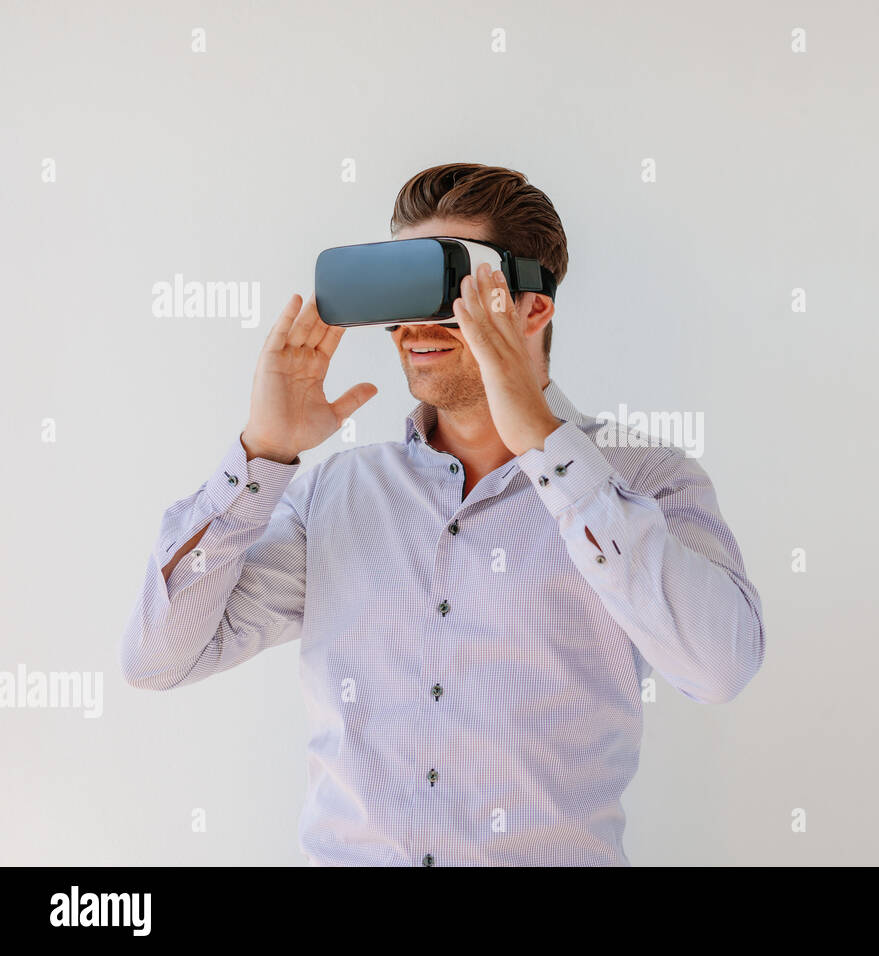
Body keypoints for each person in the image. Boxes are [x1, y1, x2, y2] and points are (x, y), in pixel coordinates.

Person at [120, 162, 765, 866]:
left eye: (448, 289)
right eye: (401, 292)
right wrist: (262, 452)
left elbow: (720, 667)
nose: (414, 325)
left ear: (532, 308)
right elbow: (156, 660)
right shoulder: (337, 495)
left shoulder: (644, 479)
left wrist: (550, 448)